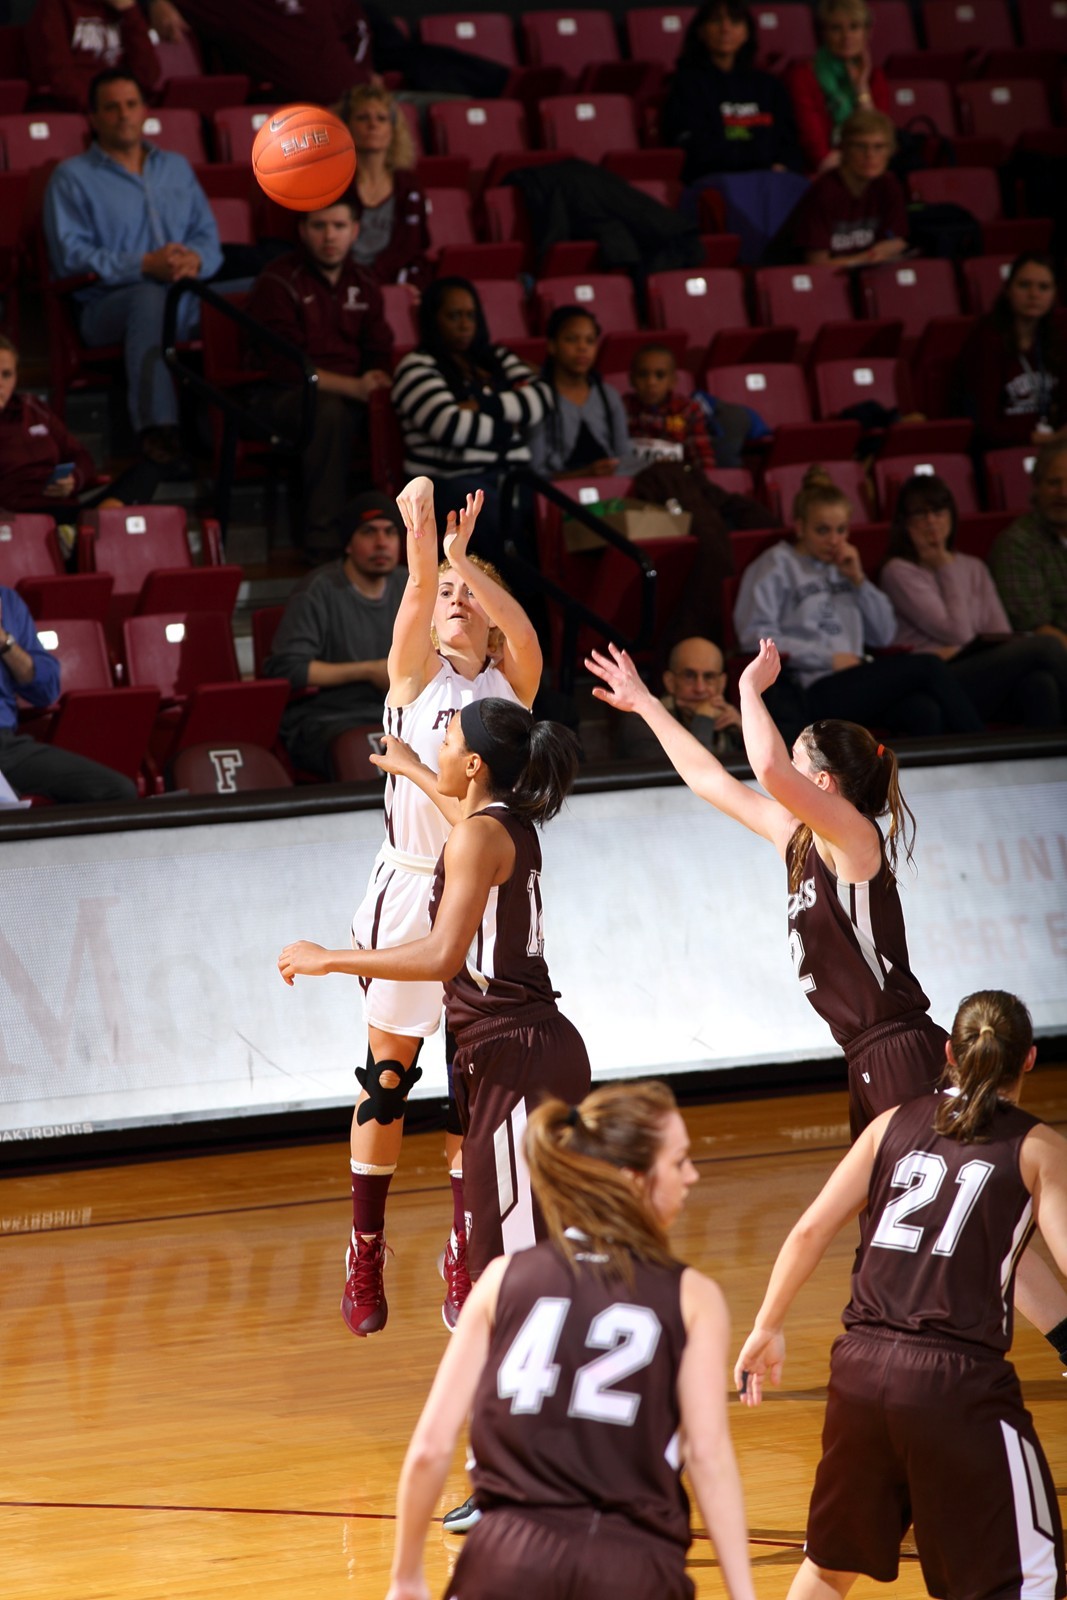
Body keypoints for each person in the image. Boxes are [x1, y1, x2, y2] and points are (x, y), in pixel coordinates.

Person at [281, 479, 543, 1337]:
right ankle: (366, 1246)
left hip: (482, 891)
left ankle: (464, 1244)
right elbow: (421, 588)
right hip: (408, 885)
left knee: (473, 1095)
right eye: (447, 598)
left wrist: (467, 558)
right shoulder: (410, 676)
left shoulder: (511, 686)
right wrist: (424, 536)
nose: (456, 603)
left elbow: (526, 631)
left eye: (471, 596)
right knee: (387, 1081)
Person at [734, 988, 1067, 1600]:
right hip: (954, 1384)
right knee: (1031, 1577)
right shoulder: (1040, 1147)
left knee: (830, 1565)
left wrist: (765, 1326)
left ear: (949, 1052)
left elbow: (809, 1228)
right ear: (1029, 1060)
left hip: (858, 1370)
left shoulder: (891, 1123)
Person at [383, 1081, 759, 1600]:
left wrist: (405, 1577)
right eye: (679, 1162)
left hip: (505, 1562)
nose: (693, 1175)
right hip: (629, 1566)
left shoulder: (499, 1279)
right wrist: (744, 1593)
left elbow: (429, 1449)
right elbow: (709, 1456)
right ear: (632, 1180)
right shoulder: (694, 1297)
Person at [42, 69, 223, 471]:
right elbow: (71, 255)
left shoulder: (175, 166)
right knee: (149, 296)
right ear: (93, 117)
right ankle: (159, 434)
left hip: (185, 296)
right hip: (106, 307)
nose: (123, 115)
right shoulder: (71, 177)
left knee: (255, 292)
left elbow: (208, 236)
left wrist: (196, 259)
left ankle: (240, 430)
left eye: (130, 105)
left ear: (144, 111)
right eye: (111, 108)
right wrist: (144, 264)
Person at [733, 466, 984, 743]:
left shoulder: (844, 566)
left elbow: (884, 634)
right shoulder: (774, 564)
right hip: (809, 686)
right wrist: (827, 657)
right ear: (800, 526)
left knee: (924, 712)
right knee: (928, 666)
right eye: (823, 530)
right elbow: (753, 638)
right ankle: (985, 750)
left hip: (856, 681)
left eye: (841, 530)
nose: (834, 540)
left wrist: (858, 581)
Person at [245, 197, 394, 562]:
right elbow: (287, 367)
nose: (330, 236)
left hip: (351, 394)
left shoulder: (365, 281)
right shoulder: (278, 281)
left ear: (355, 231)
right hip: (280, 395)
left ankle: (406, 535)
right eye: (319, 226)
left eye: (339, 226)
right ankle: (324, 543)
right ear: (302, 231)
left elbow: (380, 348)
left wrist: (379, 383)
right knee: (327, 411)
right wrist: (357, 388)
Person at [880, 472, 1067, 726]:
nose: (931, 522)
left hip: (978, 670)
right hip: (937, 679)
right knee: (1047, 646)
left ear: (951, 515)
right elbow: (957, 632)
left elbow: (1000, 633)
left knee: (1039, 684)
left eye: (939, 511)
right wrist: (944, 565)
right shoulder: (899, 571)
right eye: (920, 514)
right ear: (905, 523)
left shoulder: (973, 567)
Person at [390, 278, 553, 560]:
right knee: (498, 523)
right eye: (453, 316)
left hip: (511, 475)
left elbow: (542, 400)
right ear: (433, 319)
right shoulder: (415, 367)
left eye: (470, 315)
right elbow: (451, 426)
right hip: (451, 480)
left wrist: (479, 405)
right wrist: (509, 423)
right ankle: (520, 602)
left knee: (554, 514)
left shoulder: (496, 357)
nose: (464, 324)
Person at [262, 493, 407, 779]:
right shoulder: (318, 590)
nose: (381, 543)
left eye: (390, 532)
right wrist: (368, 671)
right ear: (348, 544)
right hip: (326, 716)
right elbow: (289, 669)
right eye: (369, 532)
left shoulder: (410, 585)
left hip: (394, 713)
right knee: (362, 751)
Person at [0, 584, 136, 803]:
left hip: (6, 746)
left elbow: (45, 690)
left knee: (117, 791)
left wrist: (5, 643)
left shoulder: (6, 601)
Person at [661, 0, 805, 180]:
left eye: (735, 22)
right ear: (700, 31)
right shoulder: (686, 85)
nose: (725, 28)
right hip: (716, 183)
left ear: (747, 33)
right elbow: (696, 150)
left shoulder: (770, 86)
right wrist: (758, 163)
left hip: (771, 181)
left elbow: (790, 144)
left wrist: (782, 166)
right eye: (716, 21)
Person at [954, 253, 1065, 450]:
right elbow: (982, 424)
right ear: (1007, 289)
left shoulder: (1056, 339)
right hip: (1002, 451)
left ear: (1055, 294)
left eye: (1044, 287)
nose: (1034, 294)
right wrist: (1036, 439)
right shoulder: (985, 342)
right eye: (1024, 285)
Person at [337, 83, 431, 295]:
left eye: (381, 118)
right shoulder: (332, 182)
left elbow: (415, 251)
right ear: (346, 126)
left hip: (393, 284)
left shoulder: (408, 185)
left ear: (393, 129)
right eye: (362, 118)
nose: (373, 125)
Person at [787, 108, 907, 267]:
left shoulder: (888, 185)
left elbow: (896, 242)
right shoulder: (825, 192)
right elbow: (817, 265)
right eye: (860, 146)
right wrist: (868, 257)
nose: (870, 155)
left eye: (879, 147)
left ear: (890, 151)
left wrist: (890, 248)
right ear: (844, 149)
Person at [527, 305, 635, 481]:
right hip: (558, 497)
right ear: (552, 346)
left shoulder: (609, 396)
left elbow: (624, 460)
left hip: (610, 493)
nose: (582, 347)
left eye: (590, 341)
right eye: (571, 339)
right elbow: (535, 474)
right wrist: (585, 474)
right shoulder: (537, 398)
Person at [785, 0, 891, 173]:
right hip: (823, 169)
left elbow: (879, 137)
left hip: (866, 166)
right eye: (836, 28)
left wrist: (862, 88)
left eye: (854, 27)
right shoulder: (802, 76)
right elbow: (813, 143)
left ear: (867, 33)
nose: (846, 36)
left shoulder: (874, 76)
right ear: (824, 34)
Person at [989, 438, 1067, 649]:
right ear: (1037, 487)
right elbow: (1038, 631)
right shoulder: (1016, 544)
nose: (1064, 493)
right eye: (1054, 483)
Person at [624, 343, 750, 473]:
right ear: (632, 379)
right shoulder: (622, 408)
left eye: (660, 375)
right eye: (643, 374)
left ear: (673, 381)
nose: (651, 382)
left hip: (678, 479)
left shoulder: (688, 409)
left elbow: (702, 456)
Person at [617, 636, 743, 761]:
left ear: (722, 683)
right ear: (670, 682)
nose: (700, 688)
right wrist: (704, 719)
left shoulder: (732, 722)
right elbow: (695, 769)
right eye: (689, 676)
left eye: (709, 677)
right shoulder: (643, 722)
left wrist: (745, 731)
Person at [25, 0, 160, 112]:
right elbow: (56, 76)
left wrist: (130, 12)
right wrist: (99, 110)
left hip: (121, 115)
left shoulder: (126, 10)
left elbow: (148, 76)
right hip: (75, 113)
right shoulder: (54, 6)